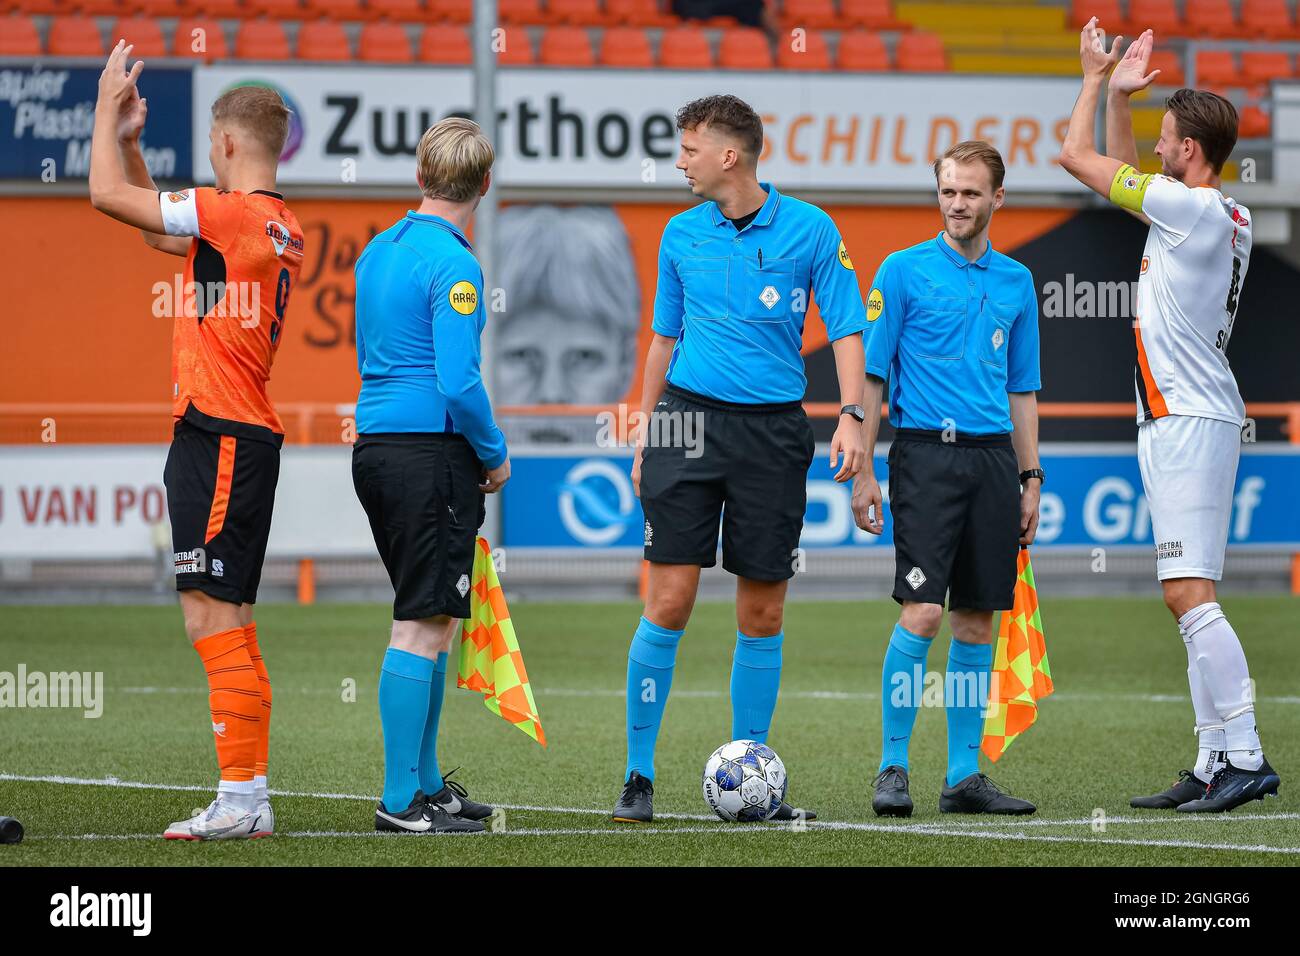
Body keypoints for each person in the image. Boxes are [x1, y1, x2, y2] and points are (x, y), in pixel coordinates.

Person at [611, 94, 868, 824]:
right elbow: (663, 338)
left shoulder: (812, 229)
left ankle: (753, 772)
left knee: (762, 610)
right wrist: (644, 429)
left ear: (730, 156)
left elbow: (848, 329)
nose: (679, 161)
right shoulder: (678, 233)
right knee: (670, 601)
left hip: (772, 434)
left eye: (689, 149)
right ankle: (637, 776)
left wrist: (852, 416)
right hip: (683, 423)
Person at [1060, 20, 1280, 812]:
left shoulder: (1192, 211)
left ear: (1190, 150)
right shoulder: (1203, 210)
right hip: (1183, 417)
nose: (1155, 147)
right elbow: (1124, 172)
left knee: (1189, 595)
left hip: (1189, 417)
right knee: (1190, 592)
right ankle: (1212, 759)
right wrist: (1124, 94)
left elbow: (1078, 160)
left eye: (1165, 137)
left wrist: (1091, 79)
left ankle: (1246, 753)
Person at [89, 41, 303, 839]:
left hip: (217, 432)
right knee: (234, 622)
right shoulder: (273, 223)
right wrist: (139, 146)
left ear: (222, 146)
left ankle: (242, 801)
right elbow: (159, 235)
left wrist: (106, 112)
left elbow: (108, 198)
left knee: (210, 621)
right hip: (241, 434)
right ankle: (249, 798)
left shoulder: (227, 213)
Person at [853, 140, 1042, 818]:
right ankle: (893, 766)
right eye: (947, 191)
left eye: (970, 192)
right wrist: (864, 470)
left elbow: (1023, 390)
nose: (957, 203)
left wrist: (1031, 476)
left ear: (998, 199)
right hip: (925, 456)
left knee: (973, 621)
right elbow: (873, 377)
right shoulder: (900, 273)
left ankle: (963, 777)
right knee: (924, 610)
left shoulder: (1017, 282)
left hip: (994, 461)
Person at [352, 117, 509, 835]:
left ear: (420, 176)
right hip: (429, 455)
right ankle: (400, 801)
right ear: (482, 184)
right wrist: (495, 449)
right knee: (420, 624)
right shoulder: (455, 264)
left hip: (379, 447)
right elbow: (458, 380)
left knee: (434, 621)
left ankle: (423, 783)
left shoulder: (379, 250)